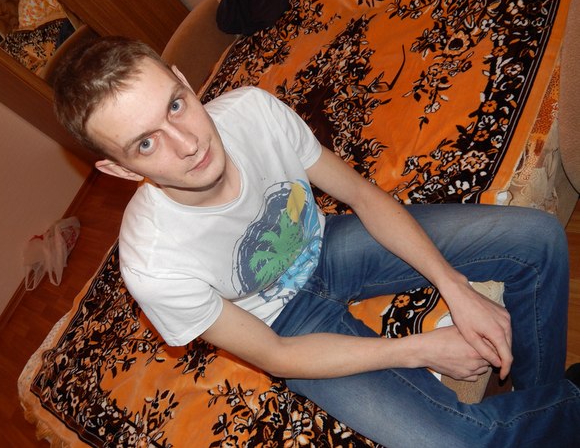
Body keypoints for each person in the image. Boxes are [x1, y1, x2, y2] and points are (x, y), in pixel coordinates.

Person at [53, 36, 580, 447]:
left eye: (175, 105)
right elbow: (277, 355)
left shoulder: (252, 112)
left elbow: (362, 195)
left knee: (537, 238)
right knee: (463, 442)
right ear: (120, 170)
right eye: (146, 143)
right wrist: (420, 349)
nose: (188, 143)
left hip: (327, 243)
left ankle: (542, 396)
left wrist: (454, 286)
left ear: (184, 81)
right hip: (281, 324)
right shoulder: (152, 263)